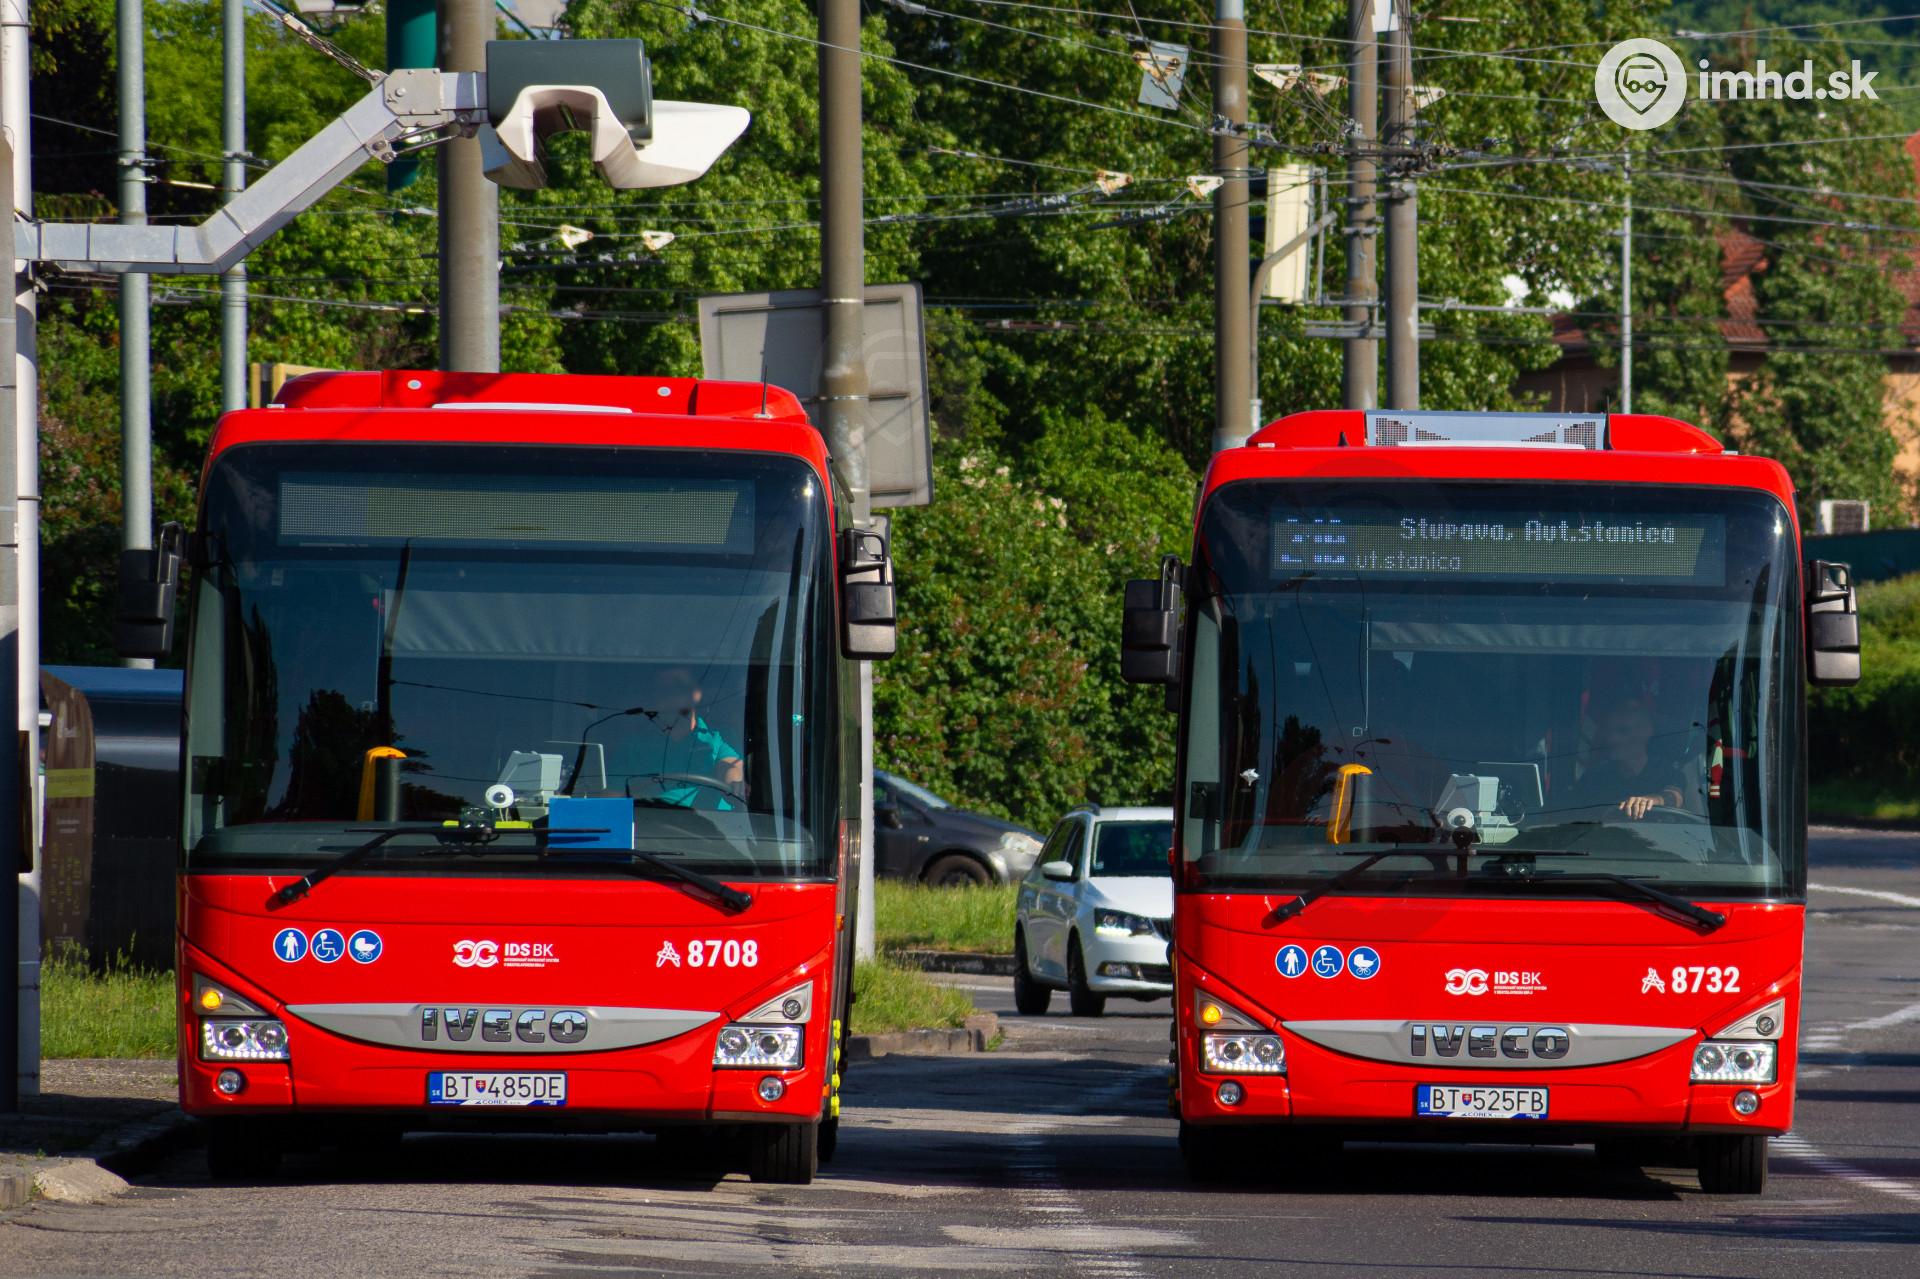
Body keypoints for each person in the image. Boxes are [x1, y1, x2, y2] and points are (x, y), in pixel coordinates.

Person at [608, 666, 745, 810]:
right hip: (647, 824)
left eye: (679, 687)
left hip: (716, 825)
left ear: (696, 693)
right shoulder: (633, 744)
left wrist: (734, 784)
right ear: (655, 696)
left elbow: (730, 767)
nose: (671, 695)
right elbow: (612, 798)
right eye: (664, 689)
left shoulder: (720, 736)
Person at [1568, 698, 1687, 821]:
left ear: (1646, 732)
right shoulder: (1593, 778)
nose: (1612, 739)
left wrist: (1654, 800)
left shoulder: (1667, 773)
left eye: (1622, 730)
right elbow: (1571, 819)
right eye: (1609, 731)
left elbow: (1674, 796)